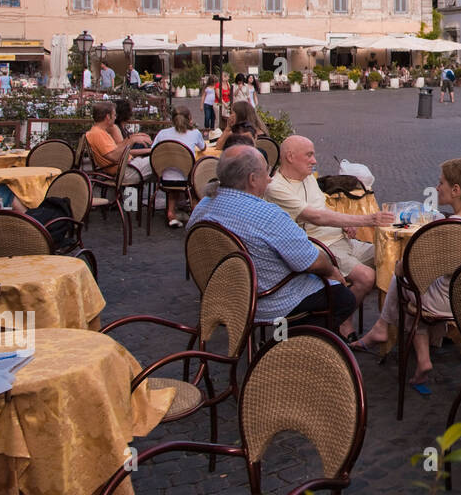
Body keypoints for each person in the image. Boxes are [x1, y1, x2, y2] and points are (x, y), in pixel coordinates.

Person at [357, 157, 461, 384]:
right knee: (416, 284)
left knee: (406, 283)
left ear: (455, 190)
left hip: (452, 300)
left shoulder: (450, 227)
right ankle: (384, 330)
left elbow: (409, 268)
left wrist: (398, 266)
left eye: (441, 183)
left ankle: (392, 335)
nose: (436, 188)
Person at [189, 146, 358, 334]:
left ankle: (283, 341)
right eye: (266, 174)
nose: (270, 179)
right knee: (344, 299)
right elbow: (312, 261)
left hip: (221, 294)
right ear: (252, 179)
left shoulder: (201, 208)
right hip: (264, 299)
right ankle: (285, 345)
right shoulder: (266, 215)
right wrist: (332, 271)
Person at [265, 135, 394, 338]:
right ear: (290, 157)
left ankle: (388, 327)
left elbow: (322, 207)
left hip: (342, 241)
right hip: (321, 248)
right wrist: (368, 219)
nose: (314, 160)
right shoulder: (276, 187)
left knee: (391, 257)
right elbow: (315, 216)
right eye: (309, 155)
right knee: (366, 278)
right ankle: (341, 322)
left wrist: (344, 225)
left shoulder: (307, 177)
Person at [152, 107, 207, 226]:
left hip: (164, 178)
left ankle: (171, 213)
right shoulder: (195, 133)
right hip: (186, 179)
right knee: (194, 180)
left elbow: (153, 151)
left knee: (174, 177)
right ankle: (196, 213)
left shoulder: (162, 134)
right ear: (190, 119)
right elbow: (203, 147)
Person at [86, 101, 153, 178]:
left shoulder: (99, 132)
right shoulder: (97, 134)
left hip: (127, 166)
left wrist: (133, 138)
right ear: (108, 117)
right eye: (114, 115)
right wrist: (131, 141)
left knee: (161, 159)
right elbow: (114, 157)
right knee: (162, 158)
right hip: (126, 170)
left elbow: (116, 149)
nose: (115, 117)